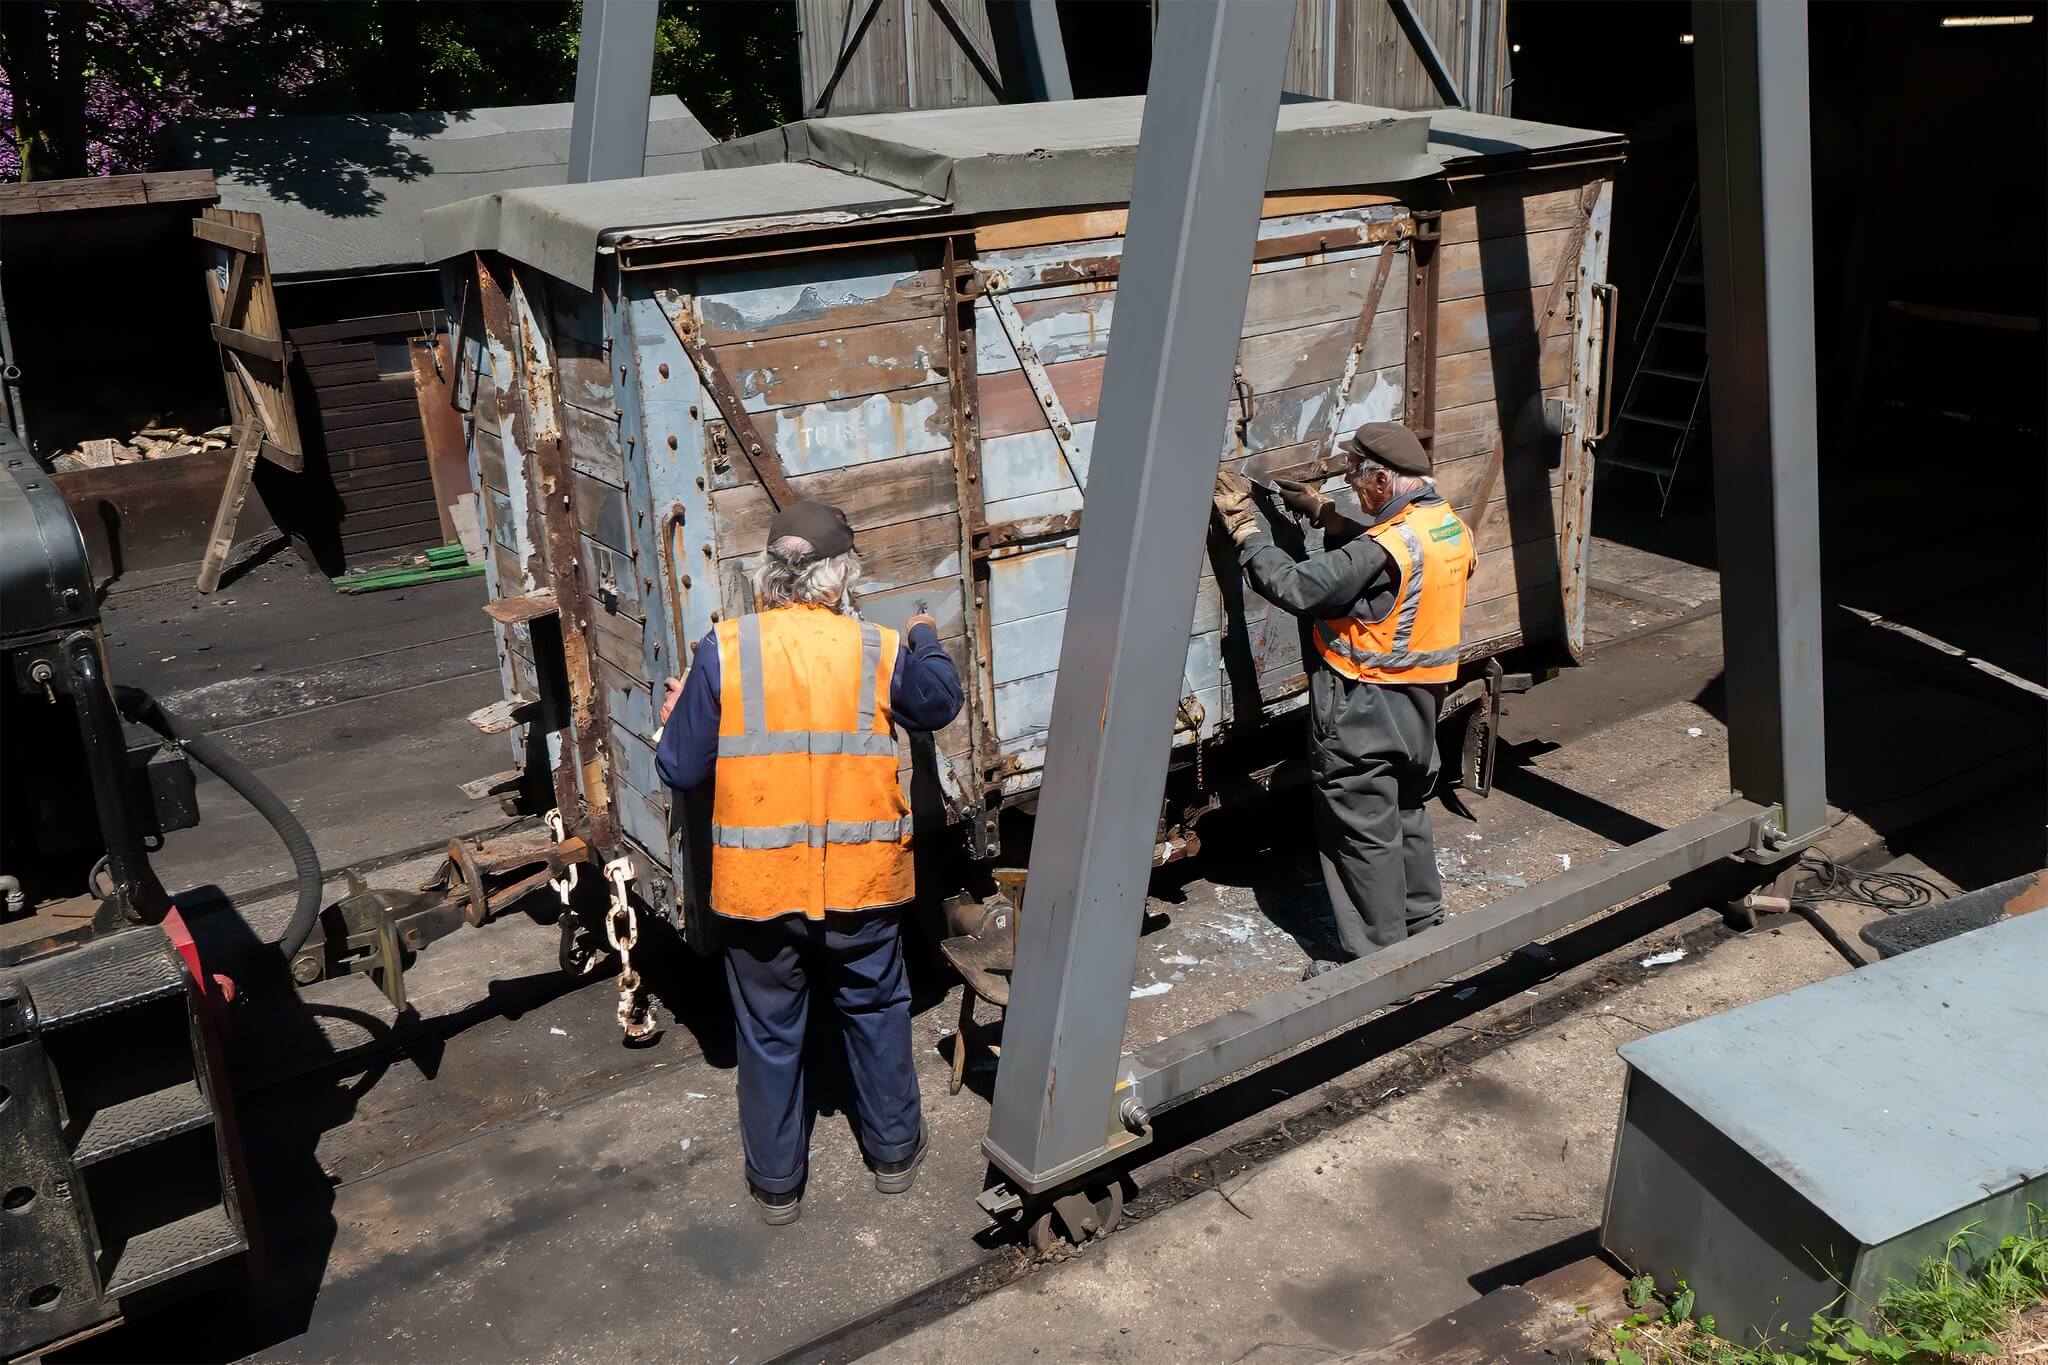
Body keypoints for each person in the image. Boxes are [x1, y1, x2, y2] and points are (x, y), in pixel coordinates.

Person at [656, 500, 963, 1225]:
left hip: (759, 890)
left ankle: (776, 1187)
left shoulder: (723, 650)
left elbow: (678, 766)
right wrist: (925, 633)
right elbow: (940, 700)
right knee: (876, 1008)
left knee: (766, 1031)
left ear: (770, 573)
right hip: (861, 884)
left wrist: (683, 712)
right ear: (840, 576)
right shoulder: (878, 647)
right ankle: (893, 1155)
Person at [1211, 421, 1474, 975]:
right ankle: (1425, 931)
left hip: (1363, 706)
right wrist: (1328, 517)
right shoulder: (1446, 528)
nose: (1352, 483)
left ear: (1382, 479)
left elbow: (1299, 588)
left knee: (1360, 828)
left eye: (1357, 474)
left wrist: (1244, 529)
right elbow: (1391, 570)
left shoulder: (1383, 546)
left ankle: (1378, 966)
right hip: (1421, 704)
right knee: (1405, 811)